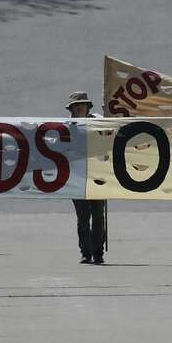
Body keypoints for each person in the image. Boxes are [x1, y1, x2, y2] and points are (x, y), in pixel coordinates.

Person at [67, 91, 106, 264]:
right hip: (77, 176)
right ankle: (85, 251)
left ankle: (98, 251)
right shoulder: (68, 126)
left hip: (97, 175)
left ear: (88, 106)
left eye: (82, 105)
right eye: (76, 105)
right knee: (83, 217)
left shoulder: (98, 121)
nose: (80, 108)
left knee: (98, 215)